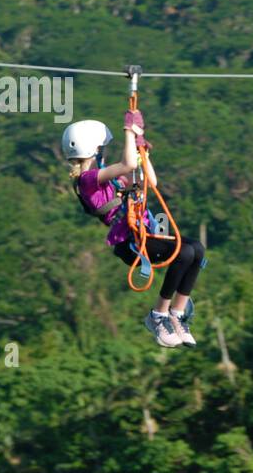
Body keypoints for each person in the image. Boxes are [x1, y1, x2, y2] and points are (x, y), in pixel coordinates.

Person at [61, 109, 205, 348]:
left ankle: (177, 314)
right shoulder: (87, 180)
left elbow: (151, 182)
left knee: (197, 249)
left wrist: (142, 151)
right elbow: (127, 164)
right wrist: (129, 131)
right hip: (130, 243)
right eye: (101, 149)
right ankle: (158, 316)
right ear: (93, 149)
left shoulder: (107, 179)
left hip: (144, 232)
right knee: (184, 253)